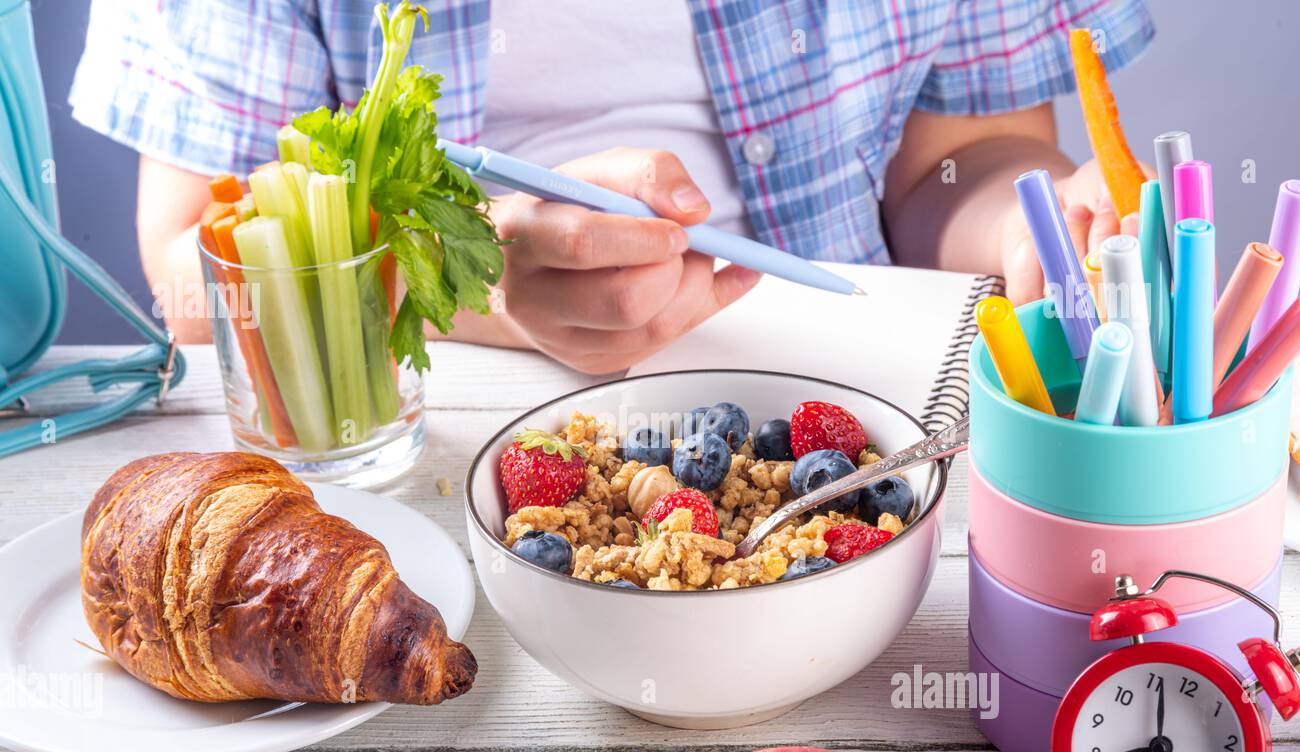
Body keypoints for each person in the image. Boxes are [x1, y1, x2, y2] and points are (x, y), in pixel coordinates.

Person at [70, 0, 1152, 374]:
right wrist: (472, 276)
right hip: (449, 456)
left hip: (864, 412)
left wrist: (1035, 228)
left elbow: (949, 171)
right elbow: (188, 283)